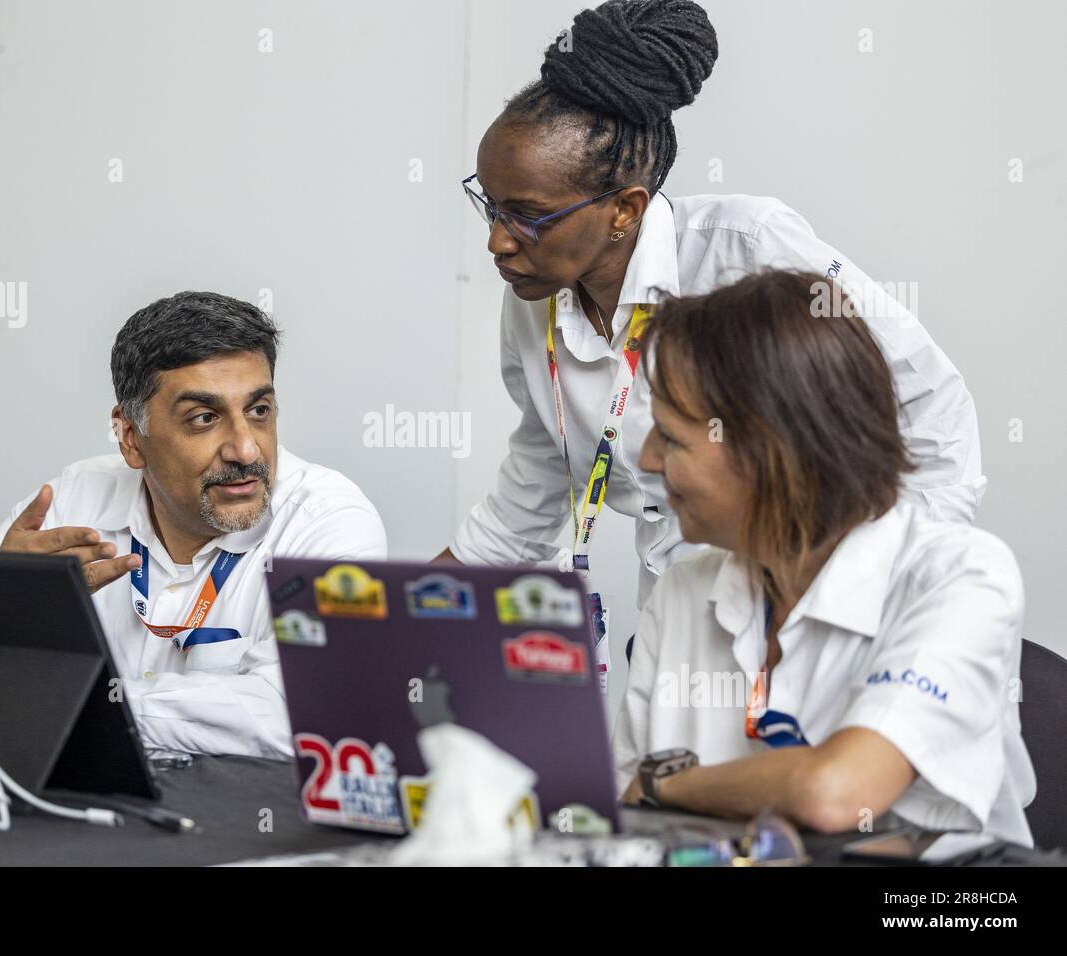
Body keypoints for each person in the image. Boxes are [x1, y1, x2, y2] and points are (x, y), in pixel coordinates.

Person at [438, 0, 985, 625]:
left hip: (816, 615)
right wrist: (408, 607)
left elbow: (929, 402)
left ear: (625, 210)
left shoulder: (751, 250)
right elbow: (542, 469)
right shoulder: (533, 302)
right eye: (491, 206)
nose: (498, 241)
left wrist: (874, 581)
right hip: (681, 622)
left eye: (528, 216)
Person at [611, 270, 1033, 845]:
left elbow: (836, 794)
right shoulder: (681, 592)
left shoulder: (959, 577)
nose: (649, 460)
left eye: (672, 438)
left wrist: (671, 785)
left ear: (771, 450)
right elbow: (623, 824)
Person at [0, 291, 387, 759]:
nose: (246, 450)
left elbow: (303, 709)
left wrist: (73, 709)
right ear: (131, 438)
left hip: (247, 821)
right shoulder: (73, 498)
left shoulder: (328, 521)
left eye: (259, 411)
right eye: (204, 419)